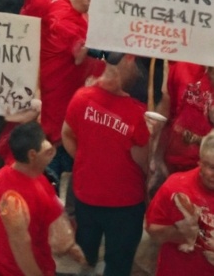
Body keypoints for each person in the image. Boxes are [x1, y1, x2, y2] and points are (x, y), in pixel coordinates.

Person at [60, 54, 150, 276]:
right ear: (125, 67)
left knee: (85, 255)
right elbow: (143, 162)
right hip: (125, 203)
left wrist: (86, 159)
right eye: (133, 67)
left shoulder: (81, 98)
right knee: (118, 264)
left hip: (87, 197)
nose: (137, 73)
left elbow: (67, 134)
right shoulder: (137, 114)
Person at [145, 131, 214, 276]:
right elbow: (152, 228)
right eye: (213, 168)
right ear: (201, 163)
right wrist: (182, 234)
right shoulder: (175, 186)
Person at [0, 122, 82, 276]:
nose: (51, 149)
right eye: (46, 147)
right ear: (32, 155)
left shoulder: (5, 177)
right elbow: (21, 247)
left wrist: (70, 247)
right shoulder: (19, 196)